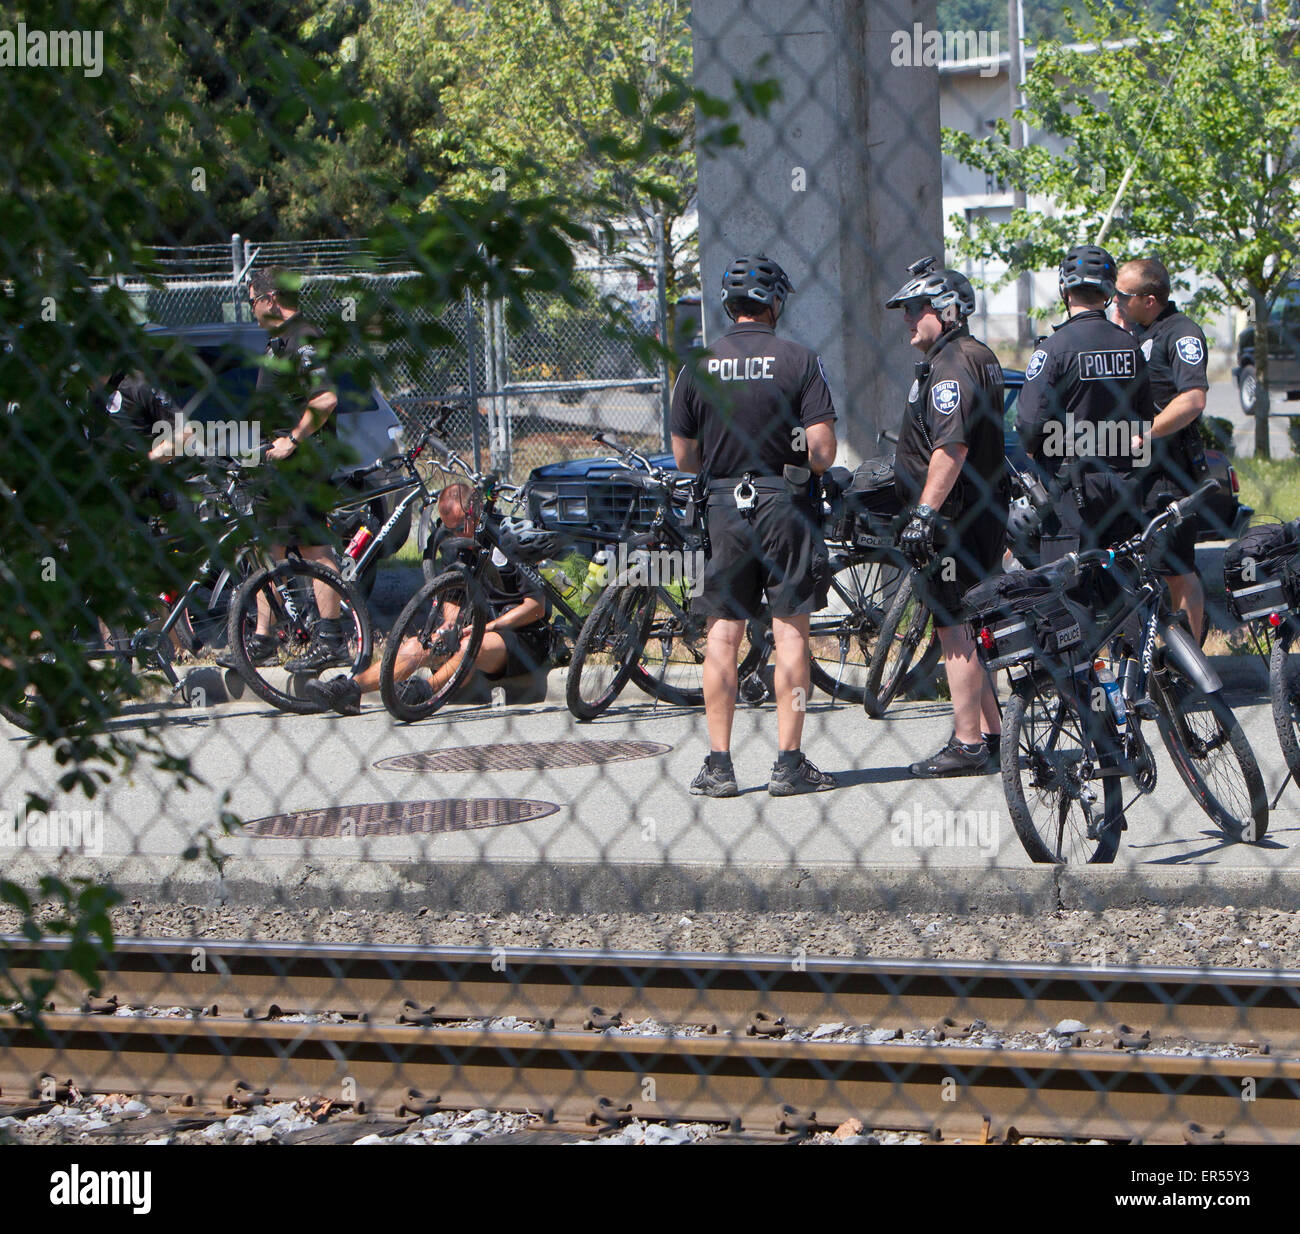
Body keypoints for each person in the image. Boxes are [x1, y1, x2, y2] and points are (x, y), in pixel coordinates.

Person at [670, 254, 838, 797]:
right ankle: (788, 764)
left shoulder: (698, 365)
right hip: (782, 502)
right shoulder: (800, 360)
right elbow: (822, 451)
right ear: (776, 304)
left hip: (722, 506)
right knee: (791, 631)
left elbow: (683, 457)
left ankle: (719, 765)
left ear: (729, 304)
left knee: (723, 633)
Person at [885, 256, 1007, 777]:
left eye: (918, 308)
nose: (908, 318)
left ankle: (968, 743)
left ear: (949, 310)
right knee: (969, 625)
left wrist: (923, 514)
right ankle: (999, 735)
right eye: (906, 309)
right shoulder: (973, 355)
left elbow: (950, 448)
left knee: (954, 627)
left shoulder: (952, 365)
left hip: (954, 519)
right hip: (974, 512)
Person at [305, 483, 553, 714]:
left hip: (522, 637)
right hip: (477, 631)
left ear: (475, 512)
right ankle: (351, 689)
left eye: (459, 526)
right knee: (416, 645)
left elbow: (536, 607)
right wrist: (450, 624)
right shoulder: (456, 546)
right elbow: (452, 597)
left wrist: (487, 627)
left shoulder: (510, 538)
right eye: (449, 529)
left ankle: (425, 690)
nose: (456, 534)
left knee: (470, 645)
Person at [218, 267, 344, 673]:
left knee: (313, 547)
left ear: (271, 299)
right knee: (267, 546)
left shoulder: (304, 336)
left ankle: (331, 638)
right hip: (272, 466)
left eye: (252, 300)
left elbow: (324, 398)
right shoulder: (276, 342)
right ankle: (264, 637)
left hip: (302, 462)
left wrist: (293, 438)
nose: (251, 309)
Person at [1015, 244, 1154, 562]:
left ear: (1064, 289)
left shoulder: (1054, 349)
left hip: (1070, 489)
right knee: (1122, 582)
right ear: (1108, 293)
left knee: (1069, 591)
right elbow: (1144, 419)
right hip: (1123, 481)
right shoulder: (1131, 347)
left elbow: (1028, 425)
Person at [1115, 257, 1210, 641]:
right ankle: (1155, 655)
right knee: (1143, 567)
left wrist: (1148, 433)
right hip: (1137, 473)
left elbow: (1193, 399)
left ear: (1149, 299)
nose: (1115, 300)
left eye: (1123, 295)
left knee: (1175, 569)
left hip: (1170, 471)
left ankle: (1189, 663)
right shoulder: (1139, 331)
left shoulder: (1181, 333)